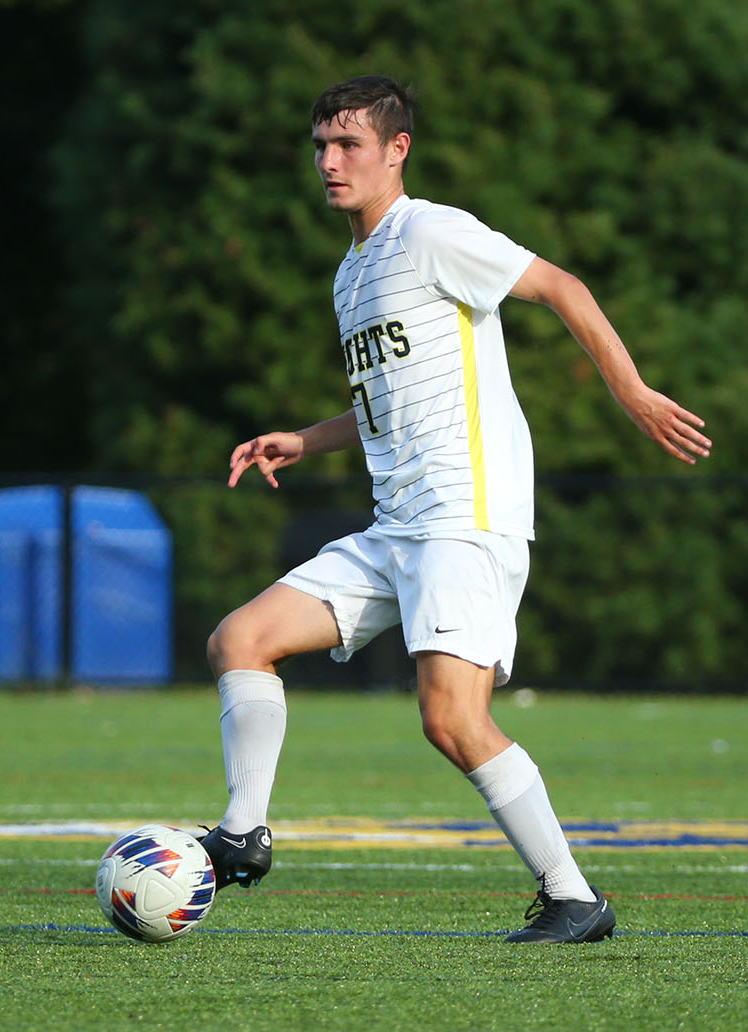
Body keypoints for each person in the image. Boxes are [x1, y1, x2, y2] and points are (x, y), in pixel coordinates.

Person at [202, 76, 710, 944]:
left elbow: (561, 285)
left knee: (451, 719)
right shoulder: (352, 272)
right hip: (397, 525)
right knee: (239, 640)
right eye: (321, 144)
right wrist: (304, 439)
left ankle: (573, 898)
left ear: (396, 150)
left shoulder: (431, 231)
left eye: (349, 144)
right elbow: (389, 406)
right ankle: (244, 835)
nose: (329, 161)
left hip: (464, 517)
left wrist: (631, 391)